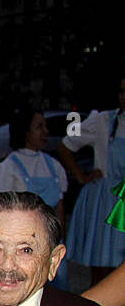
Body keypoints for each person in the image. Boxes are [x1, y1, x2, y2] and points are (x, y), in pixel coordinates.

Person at [0, 108, 69, 289]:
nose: (45, 132)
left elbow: (59, 210)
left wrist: (59, 242)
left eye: (45, 126)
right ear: (25, 132)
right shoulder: (7, 169)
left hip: (50, 246)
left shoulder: (53, 166)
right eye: (39, 127)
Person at [58, 77, 125, 286]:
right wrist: (81, 175)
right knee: (103, 271)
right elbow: (66, 145)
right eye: (122, 91)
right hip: (107, 203)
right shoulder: (103, 121)